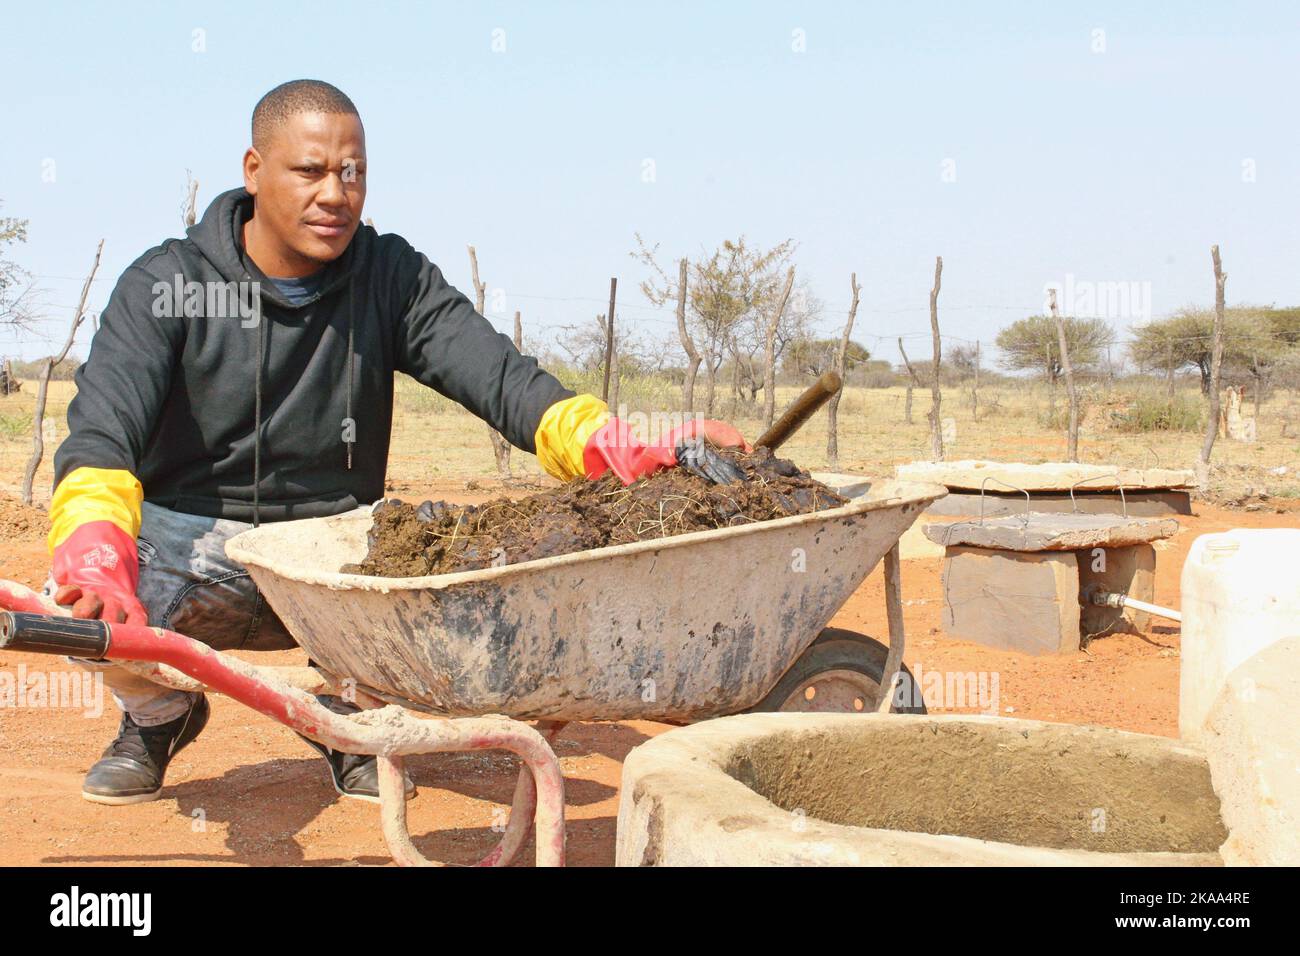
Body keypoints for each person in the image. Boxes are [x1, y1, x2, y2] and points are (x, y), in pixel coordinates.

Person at [50, 78, 746, 806]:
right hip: (188, 550)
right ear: (254, 171)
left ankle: (341, 721)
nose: (336, 193)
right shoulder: (165, 283)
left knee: (420, 563)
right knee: (68, 605)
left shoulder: (391, 277)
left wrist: (623, 445)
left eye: (353, 172)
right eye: (311, 171)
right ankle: (159, 713)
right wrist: (97, 553)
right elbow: (103, 434)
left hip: (326, 560)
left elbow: (506, 383)